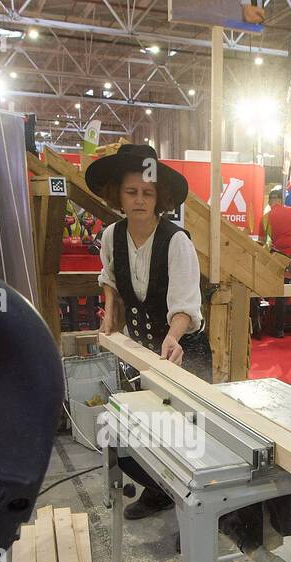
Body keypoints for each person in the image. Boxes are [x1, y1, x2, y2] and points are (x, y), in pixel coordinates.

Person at [86, 143, 203, 519]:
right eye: (132, 192)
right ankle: (159, 492)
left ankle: (197, 514)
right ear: (118, 195)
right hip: (139, 350)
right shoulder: (110, 236)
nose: (140, 200)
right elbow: (110, 279)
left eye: (148, 193)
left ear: (159, 197)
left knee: (186, 435)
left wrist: (173, 336)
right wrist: (109, 313)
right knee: (142, 429)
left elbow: (185, 305)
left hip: (180, 348)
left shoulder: (176, 241)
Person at [263, 187, 291, 337]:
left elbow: (262, 242)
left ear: (270, 202)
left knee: (281, 292)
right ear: (281, 201)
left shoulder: (267, 216)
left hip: (282, 256)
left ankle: (279, 329)